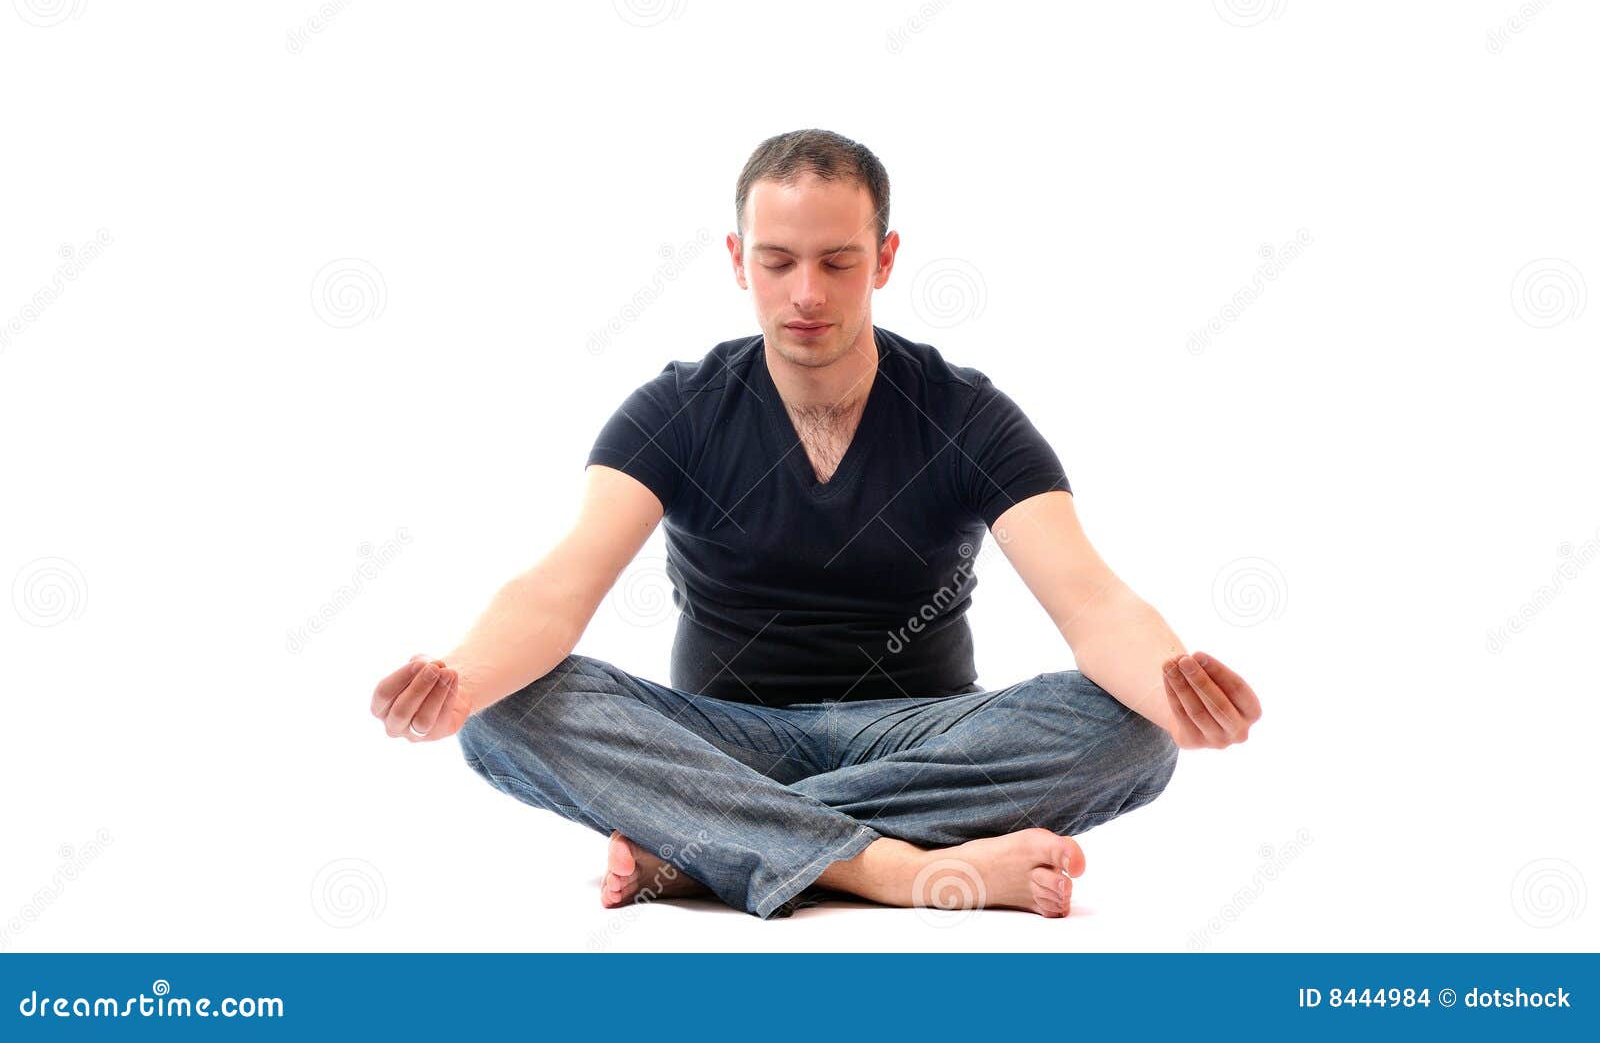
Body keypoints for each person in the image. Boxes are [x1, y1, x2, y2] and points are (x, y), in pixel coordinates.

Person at [368, 129, 1264, 920]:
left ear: (884, 257)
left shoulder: (966, 412)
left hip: (924, 734)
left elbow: (1094, 603)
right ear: (736, 257)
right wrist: (459, 678)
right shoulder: (676, 409)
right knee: (501, 710)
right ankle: (890, 869)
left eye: (837, 261)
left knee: (1133, 732)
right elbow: (554, 590)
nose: (807, 292)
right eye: (778, 260)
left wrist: (1176, 688)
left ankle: (706, 844)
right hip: (719, 730)